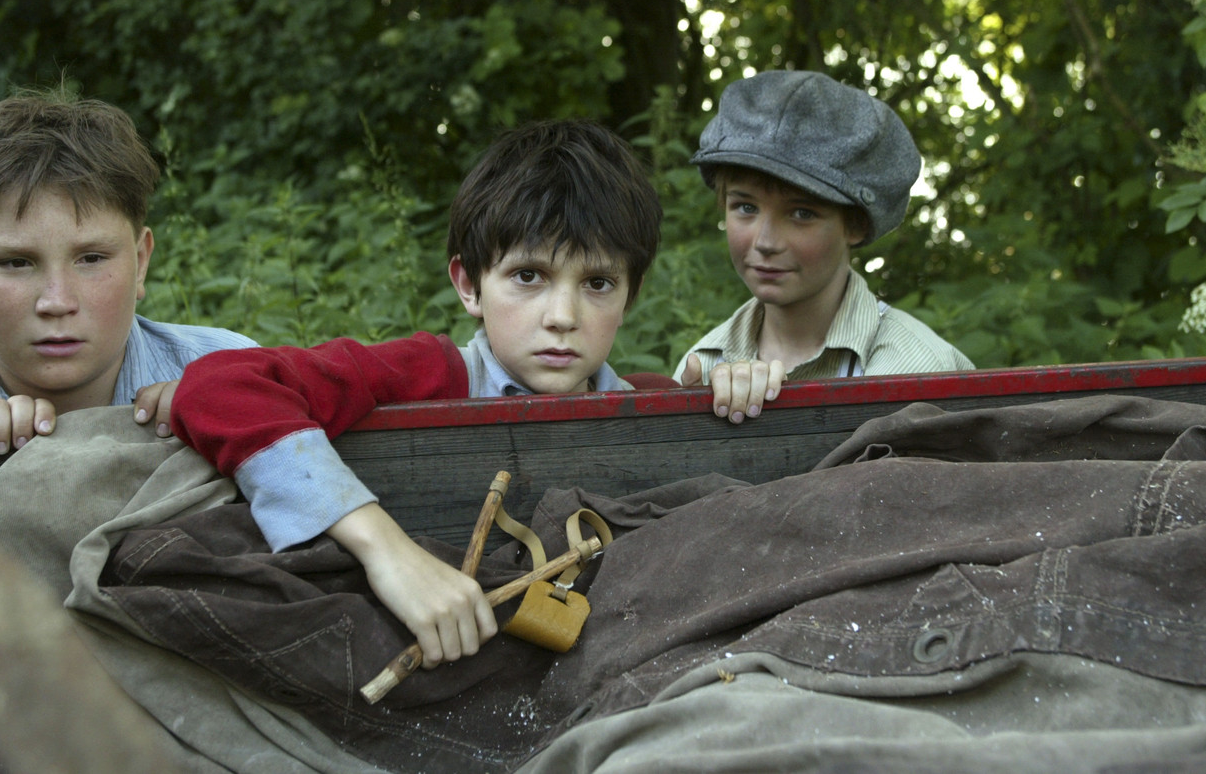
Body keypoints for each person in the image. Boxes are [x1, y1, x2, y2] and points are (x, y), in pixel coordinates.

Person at [169, 119, 778, 674]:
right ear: (468, 284)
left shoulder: (651, 402)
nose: (562, 316)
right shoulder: (430, 374)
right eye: (528, 277)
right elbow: (221, 387)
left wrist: (731, 399)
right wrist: (388, 552)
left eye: (597, 283)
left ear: (630, 294)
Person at [0, 88, 256, 452]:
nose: (56, 302)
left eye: (92, 258)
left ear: (141, 261)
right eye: (15, 262)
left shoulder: (242, 376)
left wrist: (235, 423)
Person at [674, 70, 974, 402]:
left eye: (802, 213)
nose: (765, 242)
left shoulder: (917, 370)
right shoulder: (702, 365)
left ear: (856, 225)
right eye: (746, 207)